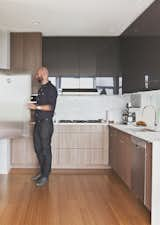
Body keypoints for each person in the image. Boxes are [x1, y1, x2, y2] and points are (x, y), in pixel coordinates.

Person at [28, 67, 57, 187]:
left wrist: (36, 107)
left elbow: (50, 107)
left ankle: (45, 175)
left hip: (46, 123)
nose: (36, 76)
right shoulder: (41, 89)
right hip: (38, 123)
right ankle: (42, 172)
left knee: (45, 149)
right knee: (37, 148)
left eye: (37, 74)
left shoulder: (51, 89)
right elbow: (39, 105)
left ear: (44, 73)